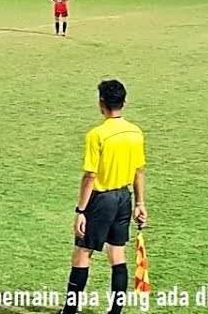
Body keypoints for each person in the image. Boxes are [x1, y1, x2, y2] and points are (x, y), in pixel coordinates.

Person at [59, 80, 147, 314]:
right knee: (117, 253)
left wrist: (80, 211)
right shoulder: (135, 132)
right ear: (124, 102)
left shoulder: (97, 135)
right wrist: (139, 203)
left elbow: (90, 175)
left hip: (101, 200)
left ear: (101, 103)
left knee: (82, 253)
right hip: (124, 198)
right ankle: (115, 312)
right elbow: (139, 171)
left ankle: (69, 311)